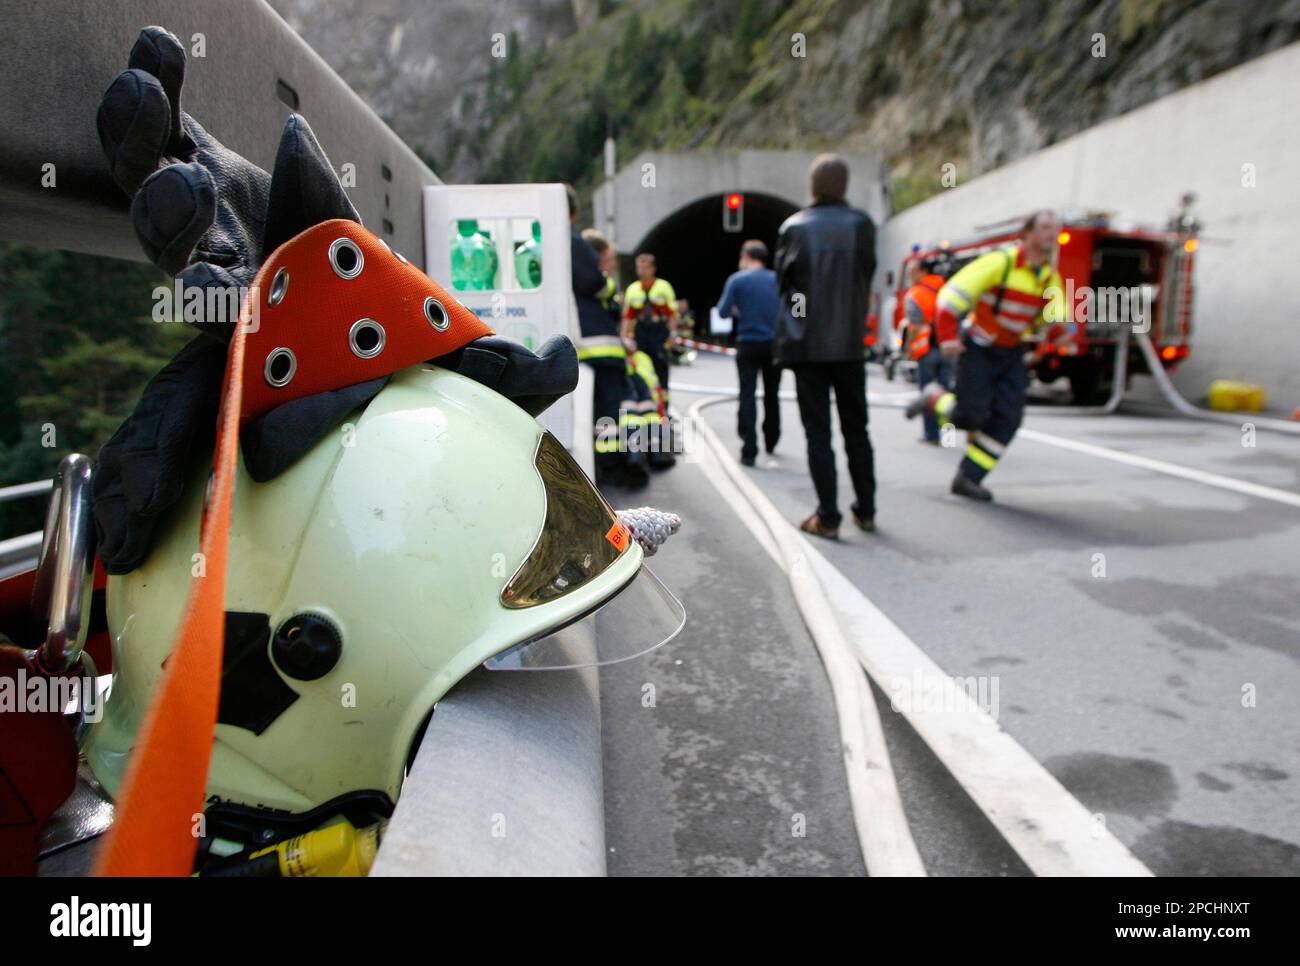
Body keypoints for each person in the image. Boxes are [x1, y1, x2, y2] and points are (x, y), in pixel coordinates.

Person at [906, 210, 1069, 501]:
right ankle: (933, 398)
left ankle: (968, 478)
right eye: (1045, 227)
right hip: (979, 350)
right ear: (1028, 232)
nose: (1051, 233)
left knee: (1008, 419)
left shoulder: (1048, 277)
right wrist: (949, 338)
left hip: (1011, 354)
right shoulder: (1001, 262)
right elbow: (949, 300)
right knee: (969, 415)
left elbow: (1056, 320)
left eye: (1055, 229)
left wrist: (1062, 333)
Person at [774, 154, 877, 538]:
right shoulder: (862, 225)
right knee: (857, 429)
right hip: (850, 343)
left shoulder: (794, 228)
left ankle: (828, 516)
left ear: (813, 185)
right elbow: (865, 273)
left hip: (808, 346)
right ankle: (865, 509)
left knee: (818, 432)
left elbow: (785, 286)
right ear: (845, 185)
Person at [570, 190, 648, 488]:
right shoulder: (582, 257)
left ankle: (607, 464)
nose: (613, 265)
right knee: (609, 413)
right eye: (610, 259)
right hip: (603, 353)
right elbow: (605, 299)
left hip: (588, 352)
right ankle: (612, 466)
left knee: (600, 414)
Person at [717, 239, 781, 466]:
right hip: (774, 346)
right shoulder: (779, 279)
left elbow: (723, 312)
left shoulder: (737, 280)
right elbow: (797, 307)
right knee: (772, 394)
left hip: (748, 343)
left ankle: (749, 448)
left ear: (747, 257)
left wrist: (738, 310)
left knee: (747, 394)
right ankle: (772, 437)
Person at [900, 260, 951, 444]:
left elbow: (915, 325)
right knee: (947, 395)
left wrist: (908, 348)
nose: (909, 276)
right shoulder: (948, 288)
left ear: (923, 271)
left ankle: (932, 436)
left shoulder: (915, 294)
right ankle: (948, 437)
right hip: (948, 347)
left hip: (927, 349)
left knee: (929, 394)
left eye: (912, 271)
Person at [622, 253, 678, 404]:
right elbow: (627, 316)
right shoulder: (633, 289)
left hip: (658, 332)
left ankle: (664, 405)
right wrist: (624, 337)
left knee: (660, 368)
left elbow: (672, 313)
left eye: (645, 268)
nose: (641, 271)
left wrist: (673, 334)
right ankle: (645, 400)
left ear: (653, 269)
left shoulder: (663, 287)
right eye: (639, 268)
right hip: (640, 333)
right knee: (640, 366)